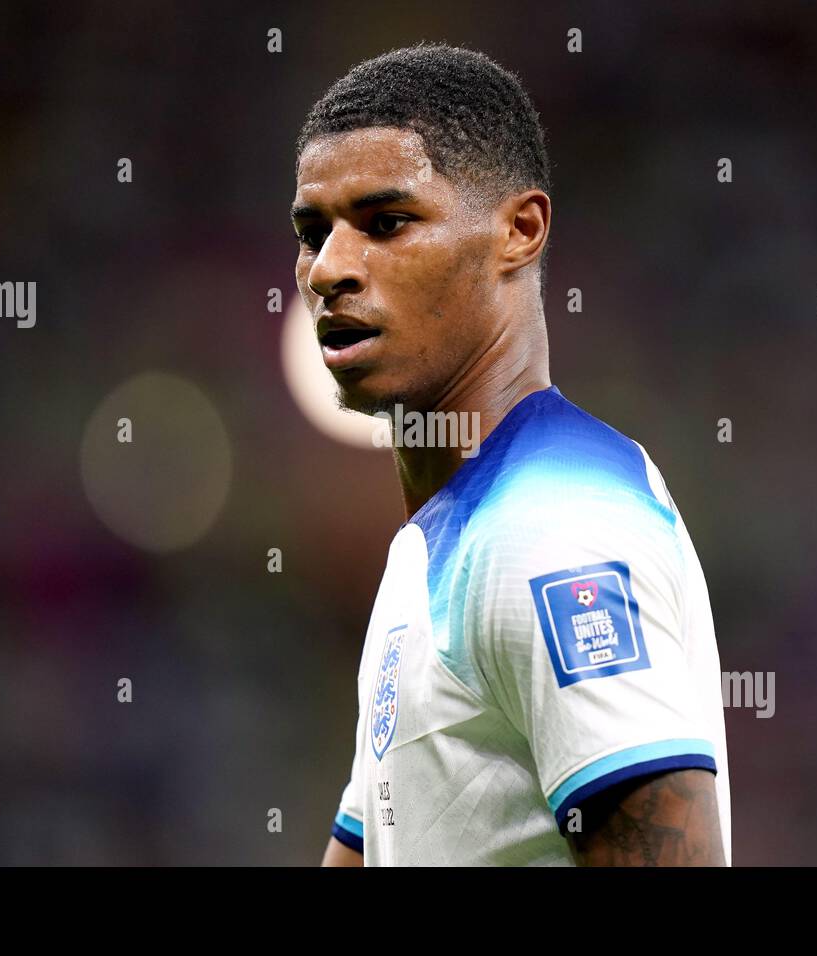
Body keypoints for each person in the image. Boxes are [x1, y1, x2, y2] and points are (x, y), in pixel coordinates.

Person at [290, 43, 731, 866]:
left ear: (518, 232)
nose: (329, 271)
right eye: (314, 233)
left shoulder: (554, 528)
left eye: (387, 223)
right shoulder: (433, 546)